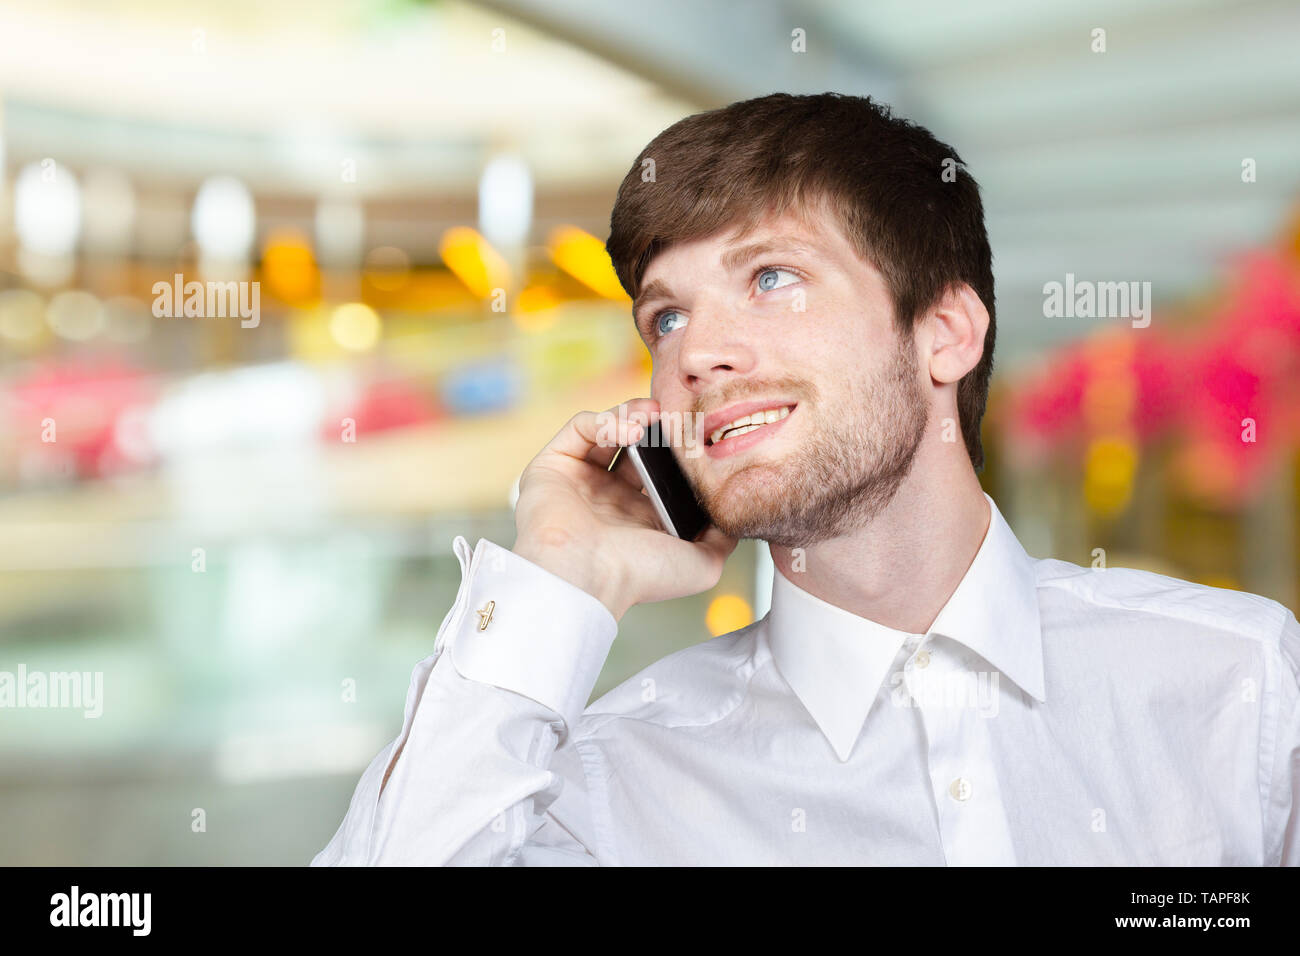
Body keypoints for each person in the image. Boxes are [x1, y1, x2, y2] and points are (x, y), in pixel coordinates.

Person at [312, 92, 1299, 866]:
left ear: (943, 333)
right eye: (665, 317)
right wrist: (560, 572)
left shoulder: (1239, 683)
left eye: (771, 277)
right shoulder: (602, 784)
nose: (695, 352)